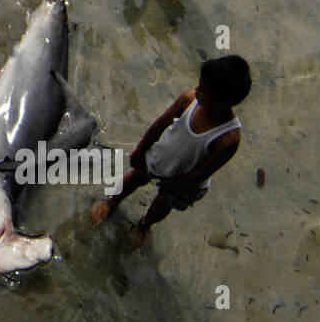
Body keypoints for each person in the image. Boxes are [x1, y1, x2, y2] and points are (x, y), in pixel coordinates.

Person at [88, 55, 249, 247]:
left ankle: (145, 225)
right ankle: (112, 202)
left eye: (204, 91)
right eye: (199, 85)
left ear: (223, 103)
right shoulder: (189, 100)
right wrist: (141, 149)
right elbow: (160, 124)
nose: (197, 91)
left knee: (163, 204)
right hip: (162, 155)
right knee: (135, 178)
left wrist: (175, 184)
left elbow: (204, 172)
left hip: (187, 179)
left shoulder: (228, 138)